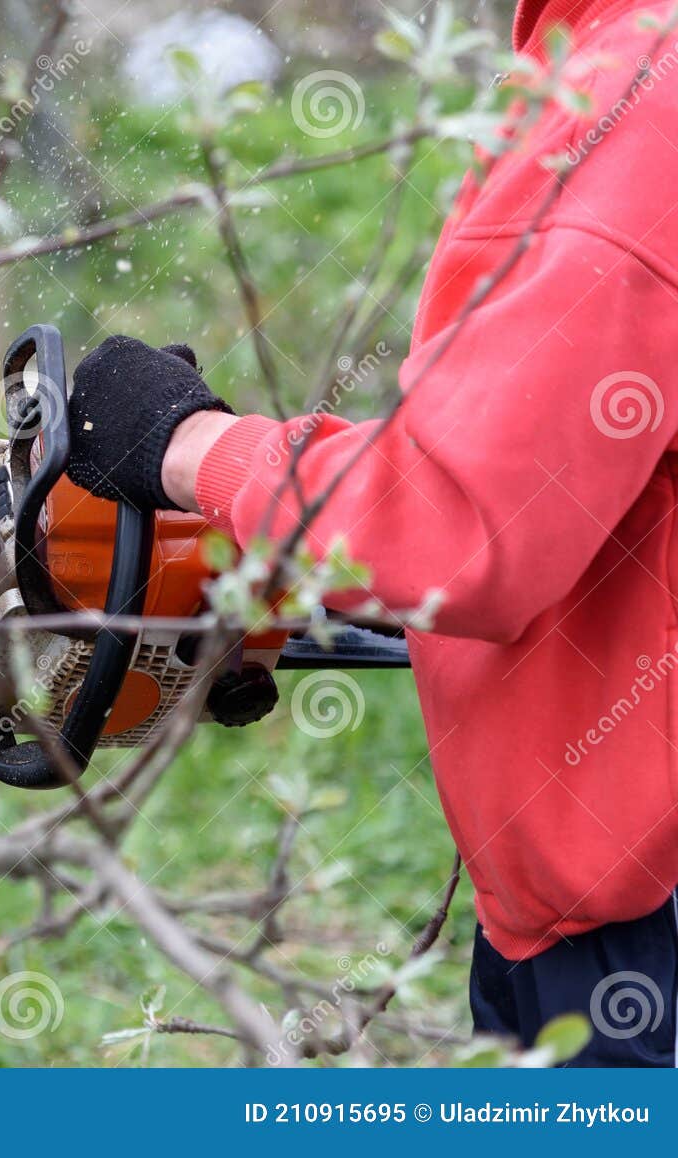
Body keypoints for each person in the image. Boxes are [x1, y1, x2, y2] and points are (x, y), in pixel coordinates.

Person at [63, 0, 678, 1066]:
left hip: (640, 930)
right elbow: (580, 481)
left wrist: (183, 447)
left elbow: (471, 517)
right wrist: (296, 579)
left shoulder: (643, 92)